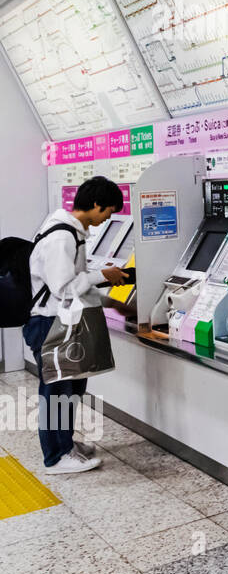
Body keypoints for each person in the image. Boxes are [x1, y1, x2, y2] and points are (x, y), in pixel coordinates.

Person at [24, 176, 128, 474]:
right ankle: (55, 458)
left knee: (71, 387)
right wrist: (102, 276)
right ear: (95, 205)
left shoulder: (72, 233)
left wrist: (116, 305)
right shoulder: (61, 237)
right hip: (49, 323)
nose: (110, 216)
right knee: (56, 391)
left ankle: (66, 444)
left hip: (63, 321)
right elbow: (64, 288)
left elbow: (76, 286)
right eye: (109, 209)